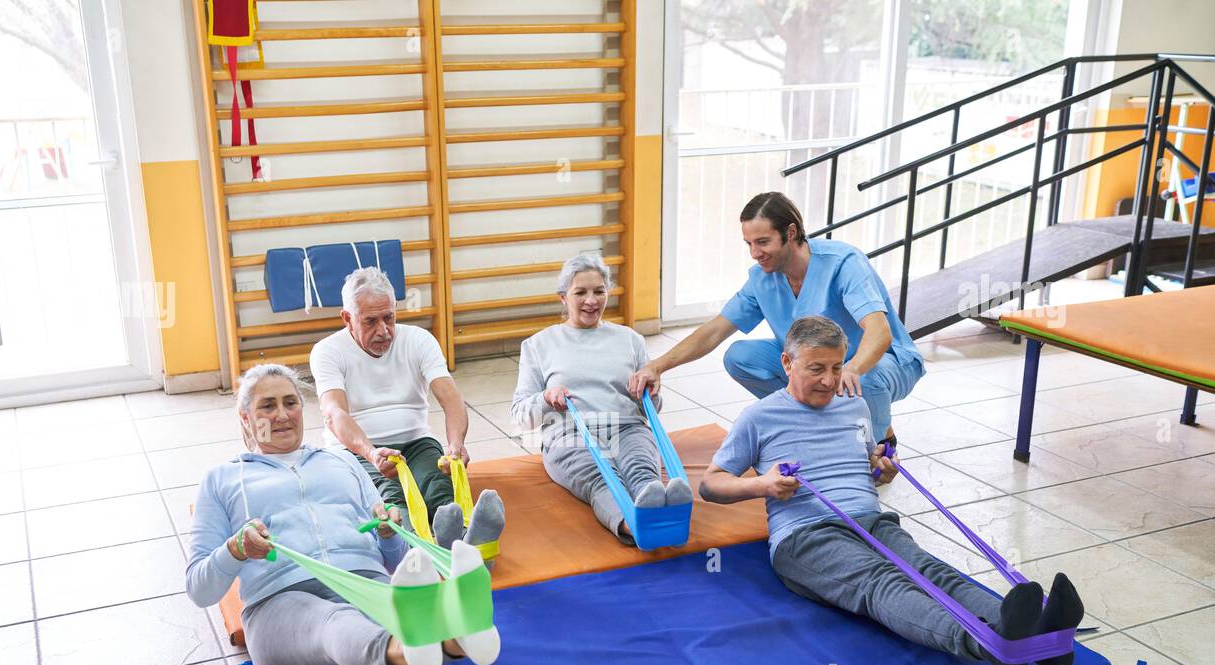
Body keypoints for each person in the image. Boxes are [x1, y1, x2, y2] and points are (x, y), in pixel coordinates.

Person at [699, 316, 1078, 665]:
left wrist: (879, 471)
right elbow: (711, 484)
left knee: (930, 571)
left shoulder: (855, 404)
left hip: (872, 521)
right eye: (816, 369)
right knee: (883, 582)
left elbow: (865, 469)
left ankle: (1042, 638)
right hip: (806, 535)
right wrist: (762, 486)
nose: (830, 380)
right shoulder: (758, 417)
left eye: (836, 367)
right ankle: (988, 644)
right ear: (787, 362)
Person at [186, 363, 503, 665]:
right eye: (267, 406)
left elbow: (398, 560)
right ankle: (407, 649)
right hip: (281, 601)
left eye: (290, 402)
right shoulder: (222, 479)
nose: (282, 415)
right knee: (335, 621)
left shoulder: (341, 461)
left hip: (365, 586)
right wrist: (235, 549)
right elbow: (199, 589)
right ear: (245, 418)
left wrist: (388, 534)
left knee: (399, 602)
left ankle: (460, 638)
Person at [631, 191, 926, 444]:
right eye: (749, 244)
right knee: (740, 356)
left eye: (762, 242)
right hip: (817, 363)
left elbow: (879, 331)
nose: (755, 253)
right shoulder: (763, 278)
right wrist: (657, 366)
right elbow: (715, 330)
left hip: (885, 361)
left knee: (864, 378)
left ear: (792, 233)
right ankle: (809, 421)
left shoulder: (844, 263)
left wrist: (851, 368)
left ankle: (878, 439)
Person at [310, 265, 503, 552]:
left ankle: (461, 540)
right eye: (371, 322)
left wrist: (455, 446)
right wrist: (372, 453)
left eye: (389, 318)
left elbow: (450, 397)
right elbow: (334, 414)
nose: (383, 331)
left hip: (416, 443)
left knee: (439, 486)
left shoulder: (418, 339)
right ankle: (416, 547)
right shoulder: (328, 351)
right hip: (359, 450)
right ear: (347, 318)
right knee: (390, 497)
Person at [510, 253, 693, 544]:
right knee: (601, 480)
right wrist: (546, 397)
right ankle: (633, 526)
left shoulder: (630, 339)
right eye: (580, 292)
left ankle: (660, 506)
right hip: (570, 434)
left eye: (599, 291)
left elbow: (650, 411)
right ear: (562, 298)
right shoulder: (537, 345)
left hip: (627, 426)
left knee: (642, 472)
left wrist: (652, 391)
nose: (591, 301)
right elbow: (521, 415)